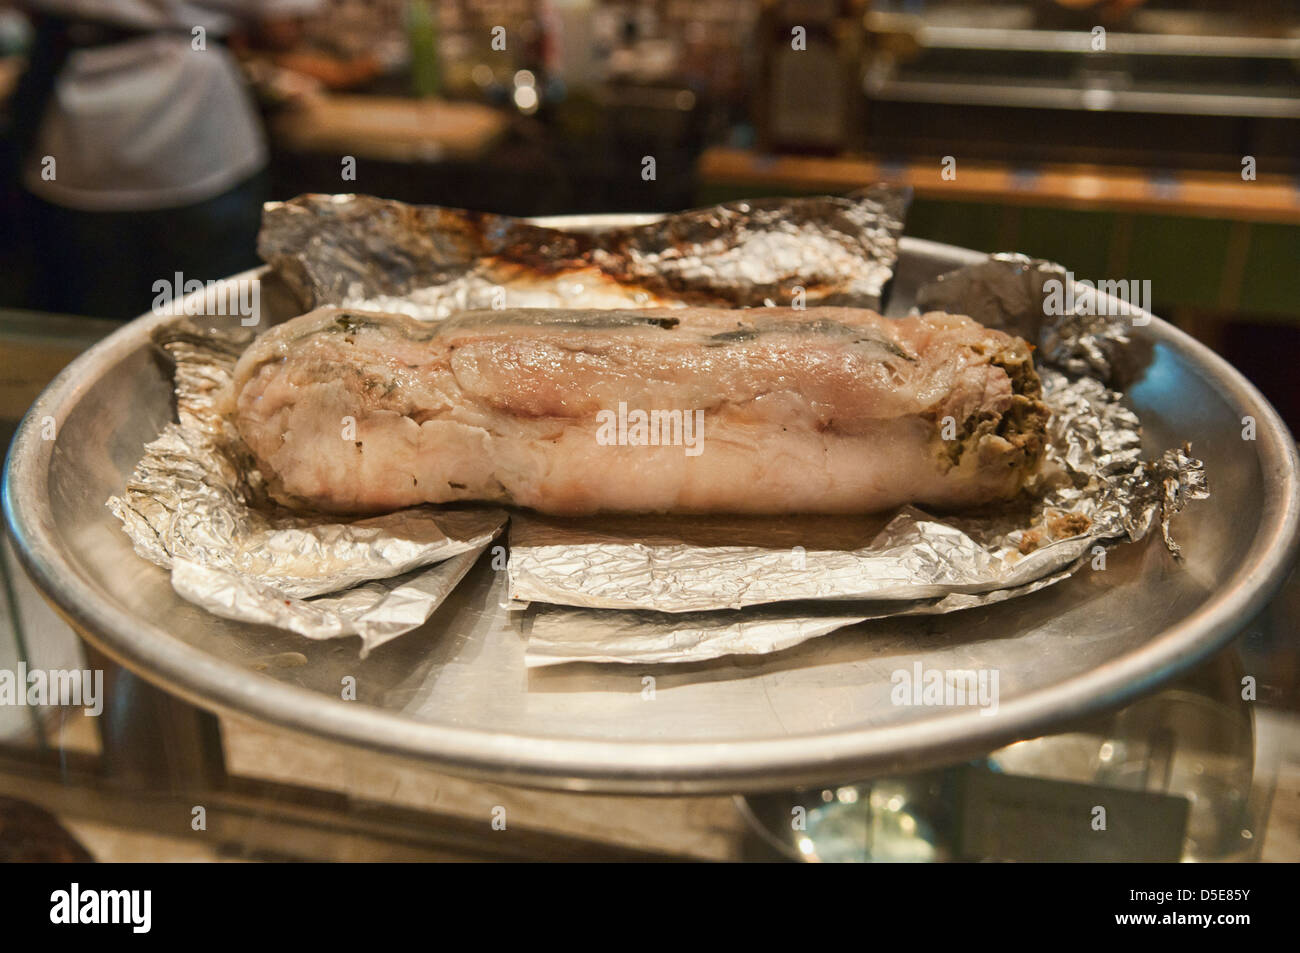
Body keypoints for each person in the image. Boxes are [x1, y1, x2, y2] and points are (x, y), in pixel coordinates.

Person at [11, 0, 323, 319]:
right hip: (196, 143)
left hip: (74, 136)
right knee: (212, 321)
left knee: (87, 321)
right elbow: (281, 27)